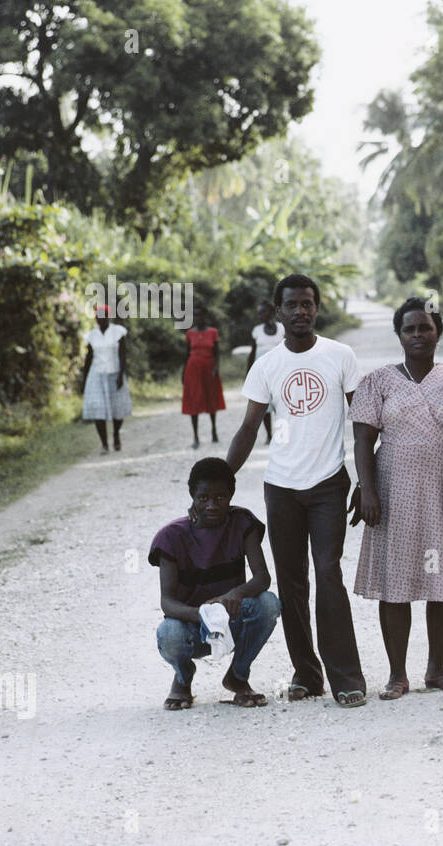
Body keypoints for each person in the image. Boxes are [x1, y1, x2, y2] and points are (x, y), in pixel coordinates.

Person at [227, 273, 370, 708]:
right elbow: (249, 428)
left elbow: (362, 421)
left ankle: (346, 676)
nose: (301, 312)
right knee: (291, 584)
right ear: (278, 311)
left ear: (316, 307)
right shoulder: (267, 366)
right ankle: (307, 673)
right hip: (282, 489)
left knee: (328, 574)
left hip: (328, 484)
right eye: (292, 305)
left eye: (308, 303)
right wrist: (220, 479)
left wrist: (367, 481)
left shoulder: (340, 355)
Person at [348, 298, 443, 699]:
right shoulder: (378, 381)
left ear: (438, 333)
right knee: (396, 581)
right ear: (399, 335)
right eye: (409, 329)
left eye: (425, 328)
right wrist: (367, 489)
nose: (418, 335)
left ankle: (437, 669)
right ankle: (397, 674)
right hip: (393, 489)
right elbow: (362, 439)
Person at [149, 457, 280, 710]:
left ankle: (238, 677)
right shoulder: (171, 537)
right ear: (192, 497)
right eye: (203, 498)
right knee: (169, 633)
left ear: (231, 495)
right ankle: (182, 678)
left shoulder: (243, 523)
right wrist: (202, 615)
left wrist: (234, 594)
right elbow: (167, 602)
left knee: (268, 603)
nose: (212, 505)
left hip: (231, 621)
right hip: (193, 626)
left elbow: (262, 577)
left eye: (220, 498)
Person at [79, 304, 131, 453]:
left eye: (102, 315)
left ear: (108, 316)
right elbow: (89, 358)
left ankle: (116, 435)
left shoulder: (118, 332)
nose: (99, 318)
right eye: (97, 316)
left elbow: (122, 355)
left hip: (114, 372)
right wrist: (84, 379)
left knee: (117, 408)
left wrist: (121, 375)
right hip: (96, 375)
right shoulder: (92, 335)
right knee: (97, 409)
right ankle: (104, 443)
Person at [182, 306, 226, 448]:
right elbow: (187, 354)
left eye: (200, 315)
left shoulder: (213, 332)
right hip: (193, 369)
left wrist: (217, 367)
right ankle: (195, 437)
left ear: (204, 316)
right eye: (195, 315)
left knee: (211, 398)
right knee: (194, 400)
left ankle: (214, 430)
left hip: (209, 368)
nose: (197, 318)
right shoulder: (190, 333)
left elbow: (217, 352)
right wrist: (183, 372)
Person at [247, 301, 283, 444]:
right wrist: (249, 373)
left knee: (280, 403)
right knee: (264, 404)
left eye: (263, 312)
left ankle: (282, 433)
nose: (260, 315)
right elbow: (252, 353)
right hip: (262, 373)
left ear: (272, 312)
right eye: (259, 313)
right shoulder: (256, 330)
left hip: (279, 371)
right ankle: (269, 435)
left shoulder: (281, 329)